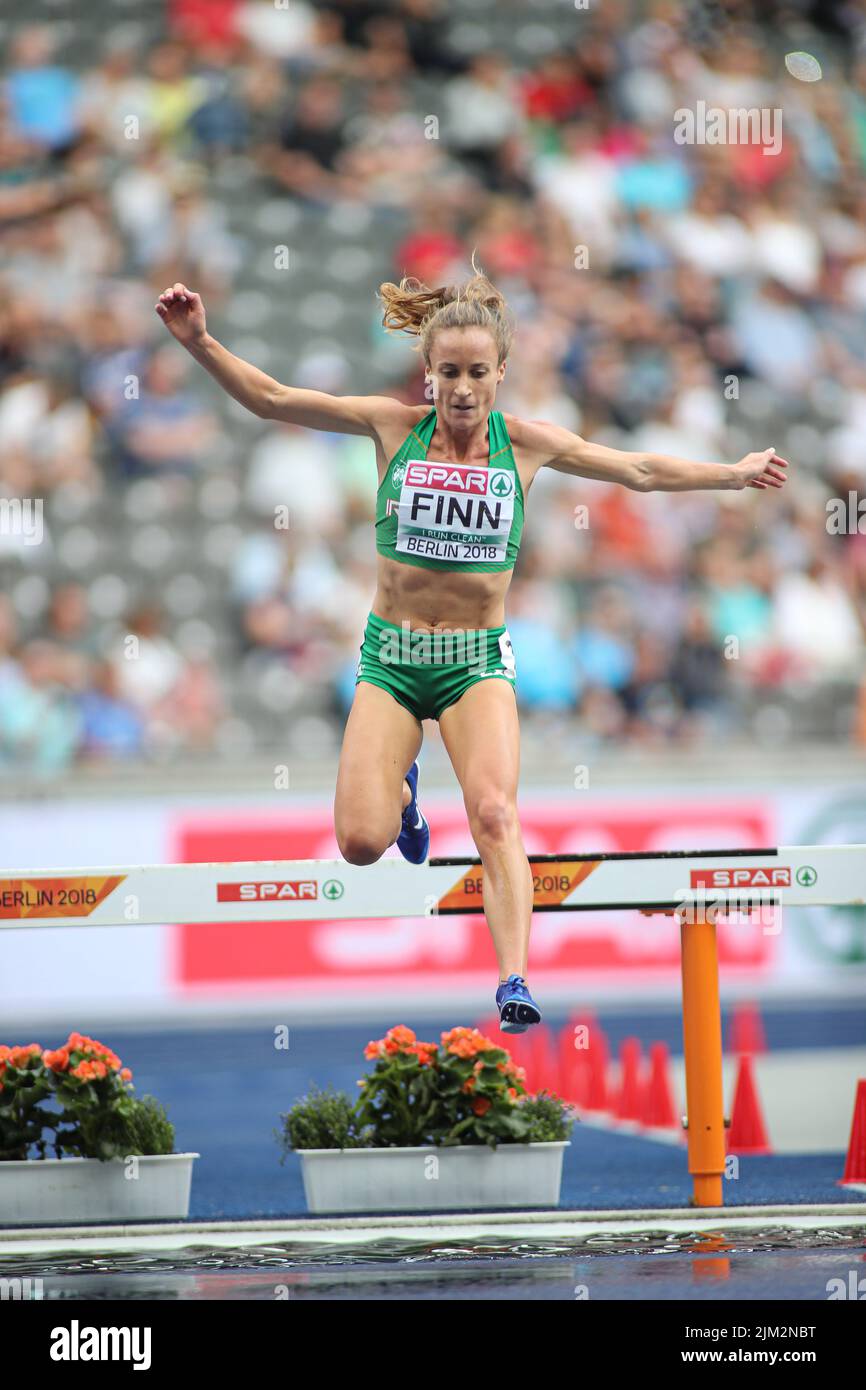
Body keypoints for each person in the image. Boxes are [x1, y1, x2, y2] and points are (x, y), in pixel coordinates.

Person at [155, 265, 789, 1032]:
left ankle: (514, 979)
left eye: (477, 373)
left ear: (501, 374)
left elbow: (642, 469)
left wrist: (733, 473)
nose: (461, 389)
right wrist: (200, 342)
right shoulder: (392, 426)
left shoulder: (526, 445)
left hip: (474, 664)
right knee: (360, 843)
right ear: (428, 375)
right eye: (448, 372)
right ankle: (404, 791)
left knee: (494, 812)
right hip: (391, 662)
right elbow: (274, 399)